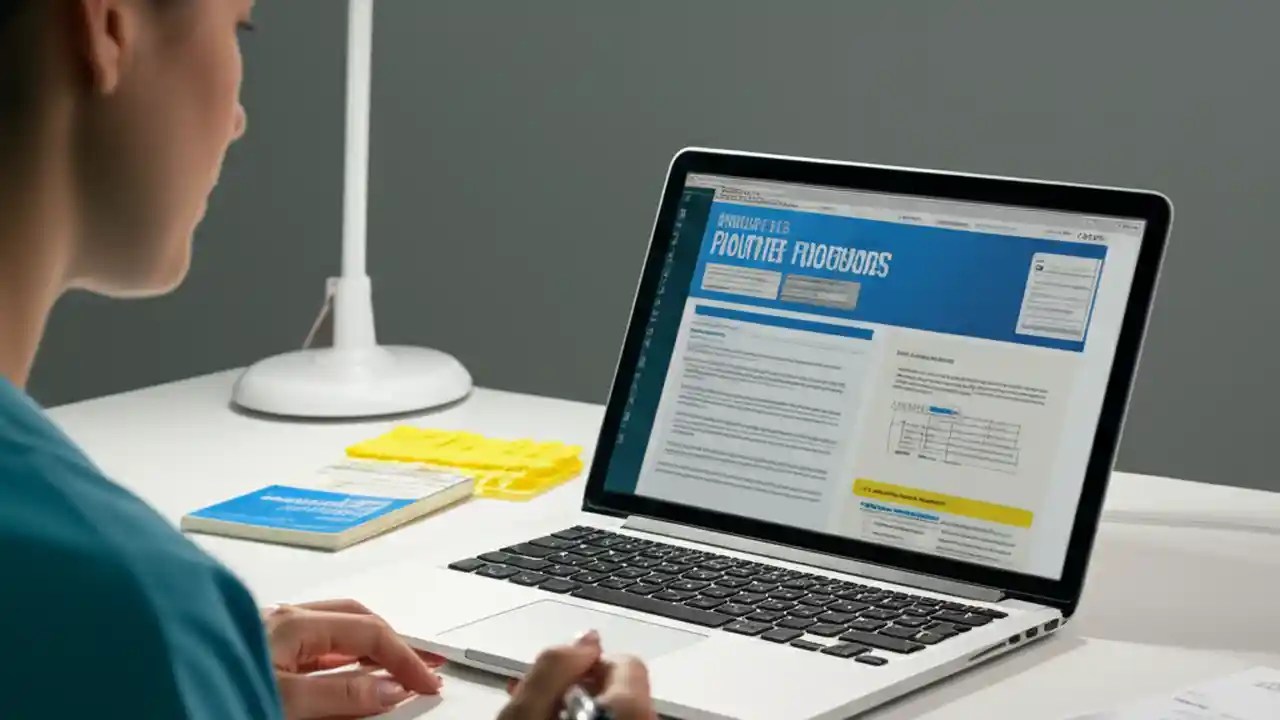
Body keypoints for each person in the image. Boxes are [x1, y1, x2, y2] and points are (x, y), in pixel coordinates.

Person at [0, 1, 658, 718]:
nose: (240, 120)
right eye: (236, 26)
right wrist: (174, 661)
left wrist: (205, 685)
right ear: (108, 25)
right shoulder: (119, 604)